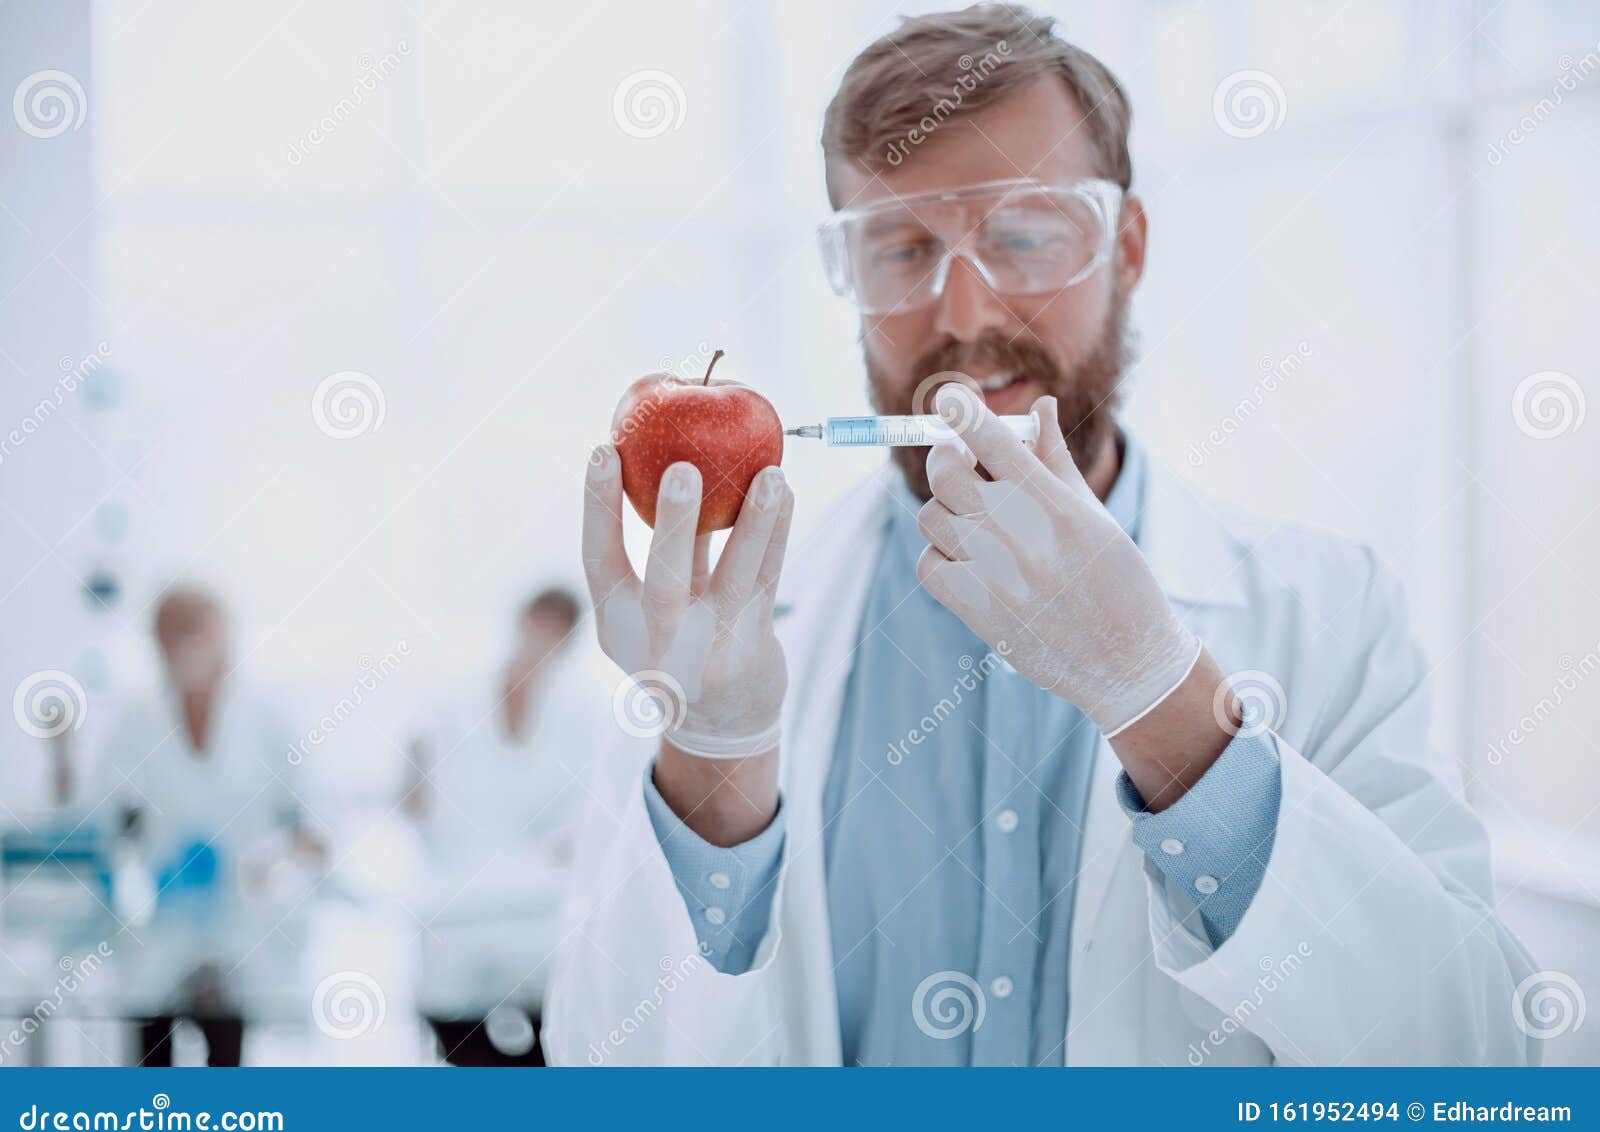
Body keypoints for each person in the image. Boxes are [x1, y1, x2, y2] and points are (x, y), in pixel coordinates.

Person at [548, 5, 1538, 1066]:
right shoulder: (722, 636)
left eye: (1024, 235)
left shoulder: (1329, 613)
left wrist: (1163, 702)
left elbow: (1473, 1056)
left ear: (1128, 248)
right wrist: (714, 760)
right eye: (903, 247)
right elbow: (609, 1068)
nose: (966, 314)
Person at [95, 586, 323, 1066]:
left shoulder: (264, 719)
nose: (212, 655)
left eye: (216, 639)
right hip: (160, 926)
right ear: (164, 649)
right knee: (152, 1053)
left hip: (243, 922)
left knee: (226, 1055)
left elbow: (309, 826)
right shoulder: (136, 724)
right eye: (191, 643)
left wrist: (275, 859)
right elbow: (108, 822)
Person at [403, 588, 600, 1066]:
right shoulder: (452, 705)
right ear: (520, 622)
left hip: (536, 915)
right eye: (538, 626)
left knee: (543, 1048)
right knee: (459, 1043)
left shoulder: (581, 717)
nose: (542, 642)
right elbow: (423, 804)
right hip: (457, 909)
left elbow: (580, 820)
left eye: (556, 634)